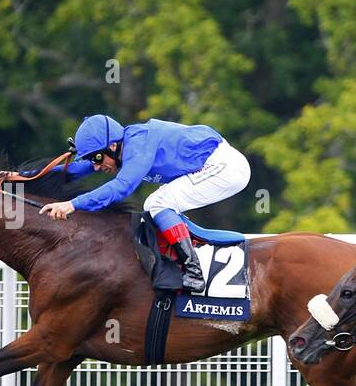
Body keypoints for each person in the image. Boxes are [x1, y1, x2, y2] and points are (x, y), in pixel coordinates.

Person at [33, 114, 250, 293]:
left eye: (97, 158)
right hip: (216, 164)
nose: (96, 166)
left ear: (113, 145)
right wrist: (23, 177)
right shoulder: (120, 147)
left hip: (226, 167)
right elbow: (76, 170)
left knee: (158, 203)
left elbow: (121, 188)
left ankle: (193, 272)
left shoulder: (138, 144)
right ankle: (187, 259)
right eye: (93, 160)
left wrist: (72, 204)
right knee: (157, 204)